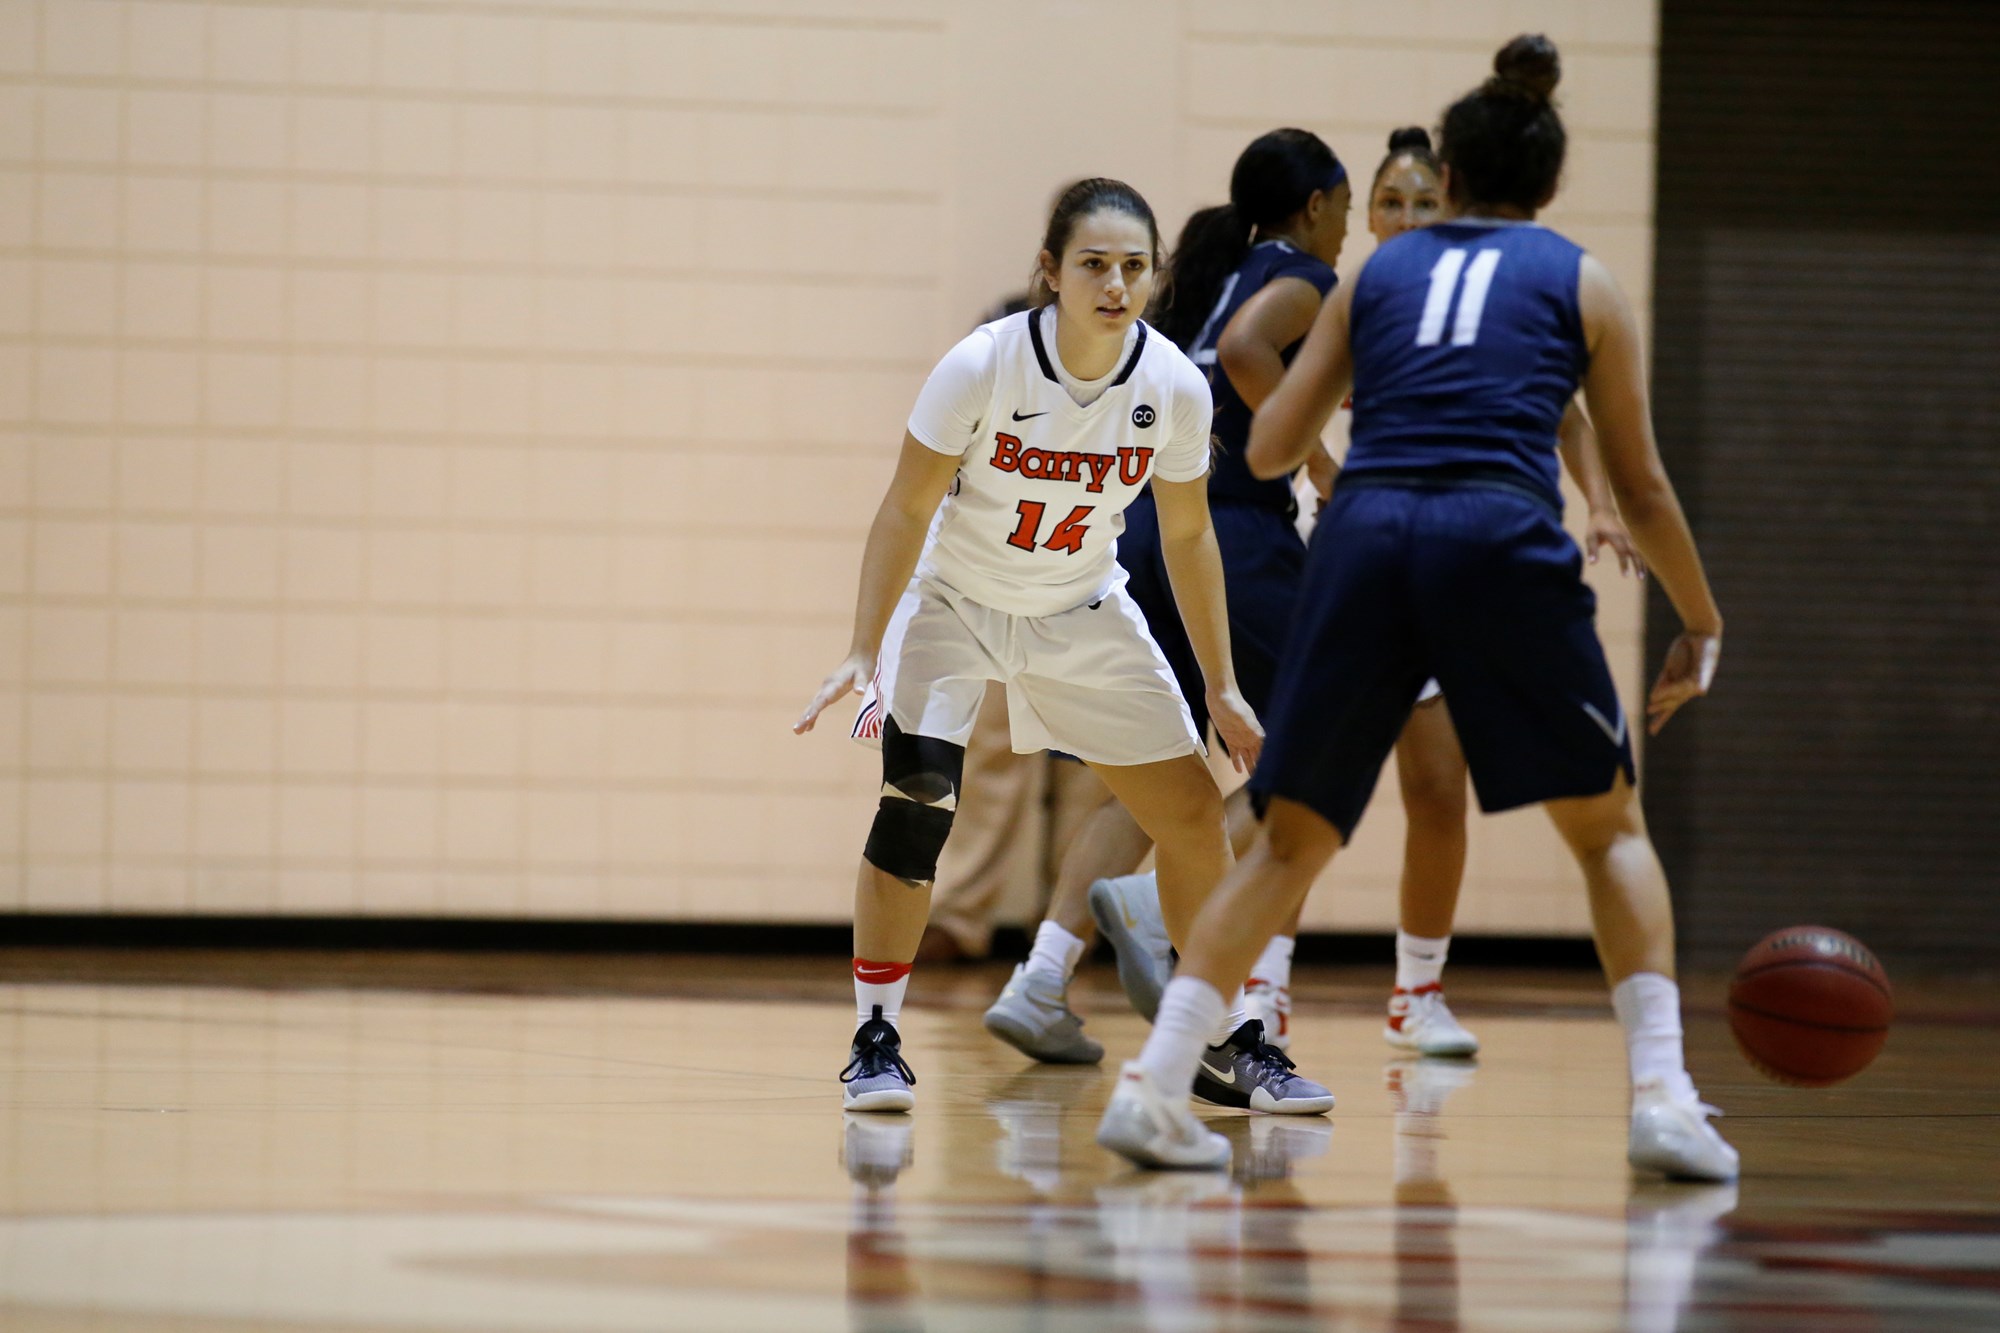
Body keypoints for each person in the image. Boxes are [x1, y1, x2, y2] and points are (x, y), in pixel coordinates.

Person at [1097, 36, 1739, 1183]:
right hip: (1496, 537)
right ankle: (1660, 1098)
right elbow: (1638, 486)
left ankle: (1151, 1087)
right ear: (1547, 181)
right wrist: (1700, 618)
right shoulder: (1580, 279)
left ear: (1445, 177)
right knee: (1606, 834)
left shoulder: (1375, 278)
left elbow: (1273, 443)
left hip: (1364, 541)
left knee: (1287, 839)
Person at [795, 178, 1332, 1118]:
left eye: (1134, 266)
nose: (1115, 284)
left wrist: (1220, 684)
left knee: (1193, 816)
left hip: (1079, 605)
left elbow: (1189, 535)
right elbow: (906, 506)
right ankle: (875, 1038)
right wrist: (861, 645)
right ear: (1051, 270)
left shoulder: (1173, 384)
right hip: (957, 599)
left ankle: (1221, 1037)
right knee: (918, 802)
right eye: (1094, 264)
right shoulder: (983, 364)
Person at [978, 128, 1352, 1063]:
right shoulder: (1305, 278)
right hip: (1227, 535)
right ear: (1316, 207)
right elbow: (1248, 350)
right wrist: (1319, 462)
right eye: (1350, 207)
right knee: (1319, 754)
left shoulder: (1218, 271)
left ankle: (1041, 979)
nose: (1350, 227)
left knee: (1151, 775)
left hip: (1142, 527)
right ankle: (1154, 900)